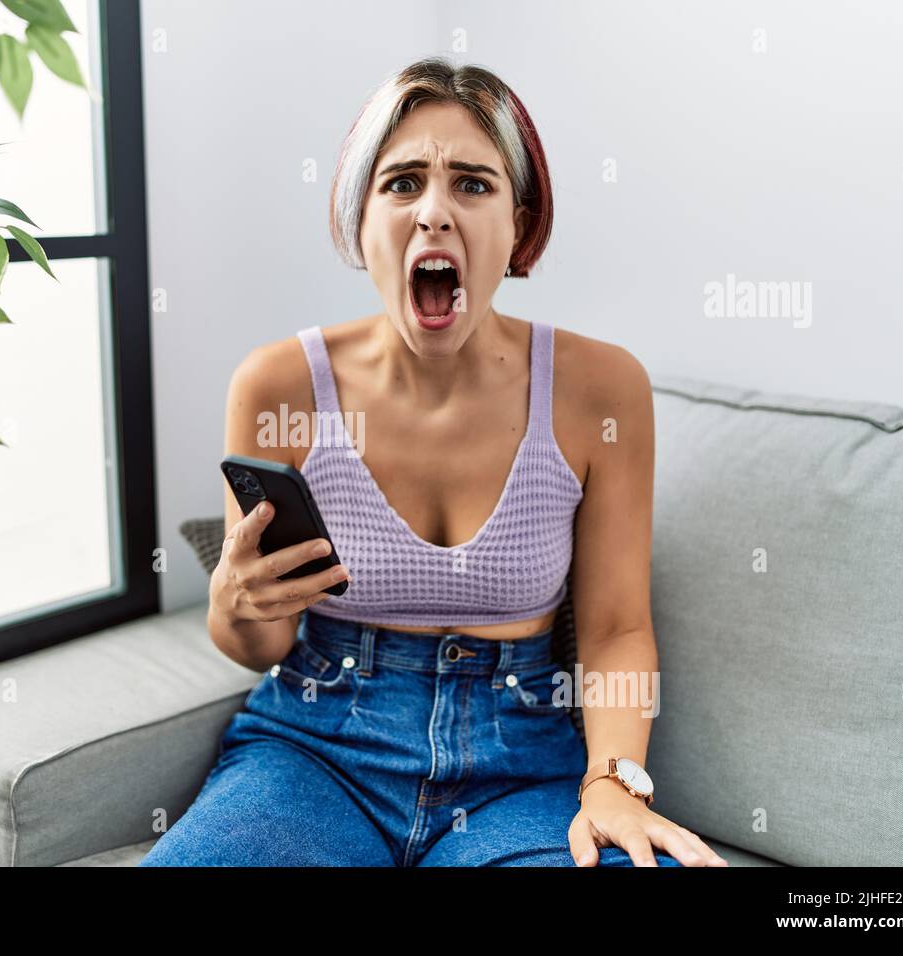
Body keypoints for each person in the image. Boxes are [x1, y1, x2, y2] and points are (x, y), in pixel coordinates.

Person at [140, 56, 726, 867]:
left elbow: (617, 627)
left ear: (519, 224)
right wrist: (236, 603)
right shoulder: (278, 385)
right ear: (360, 219)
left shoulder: (603, 389)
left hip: (520, 777)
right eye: (403, 182)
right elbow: (259, 644)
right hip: (317, 754)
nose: (435, 214)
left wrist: (614, 780)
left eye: (474, 185)